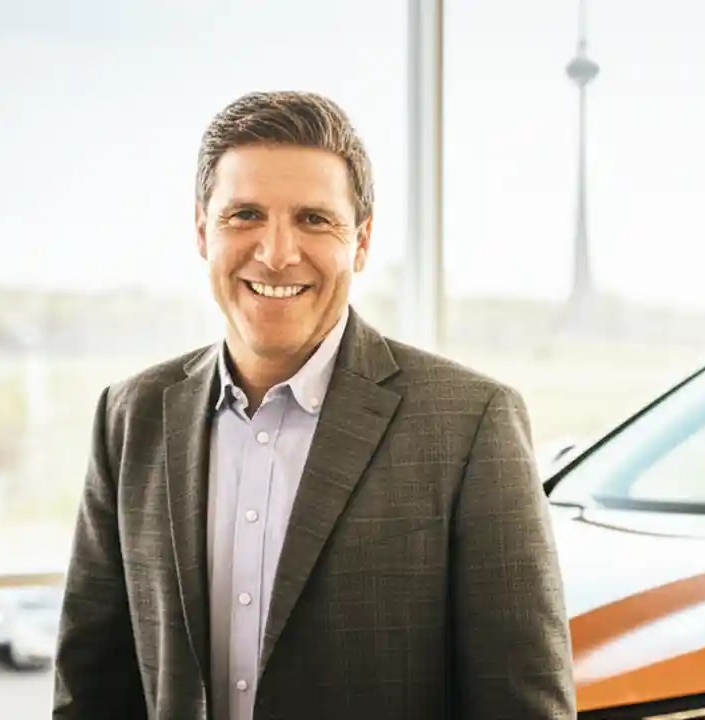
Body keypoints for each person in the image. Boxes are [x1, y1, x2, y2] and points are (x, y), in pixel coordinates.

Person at [52, 91, 575, 720]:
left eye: (313, 219)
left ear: (361, 241)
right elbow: (91, 690)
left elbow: (522, 705)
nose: (276, 253)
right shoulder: (130, 417)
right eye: (245, 214)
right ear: (202, 231)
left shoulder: (471, 423)